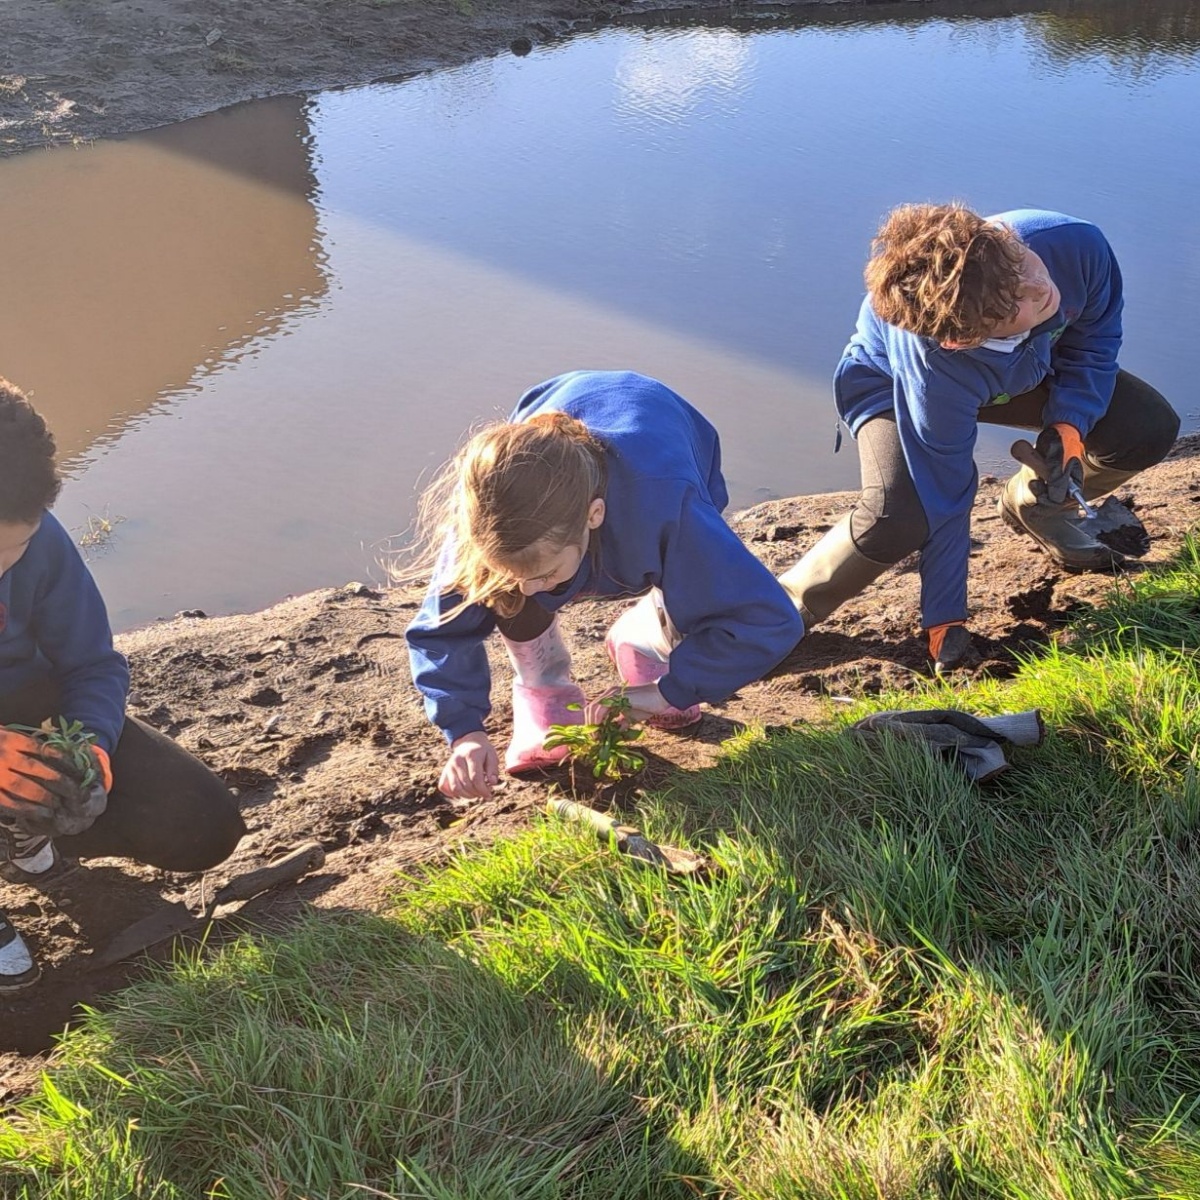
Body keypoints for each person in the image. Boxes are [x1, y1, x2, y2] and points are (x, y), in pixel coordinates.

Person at [778, 204, 1179, 672]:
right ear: (962, 339)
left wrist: (1070, 423)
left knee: (1145, 427)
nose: (1040, 287)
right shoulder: (938, 366)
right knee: (903, 514)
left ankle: (1036, 505)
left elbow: (1096, 338)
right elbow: (947, 494)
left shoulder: (1071, 244)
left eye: (1021, 265)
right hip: (890, 383)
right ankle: (779, 610)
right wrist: (944, 617)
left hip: (1028, 364)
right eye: (1015, 303)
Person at [406, 370, 804, 801]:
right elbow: (440, 630)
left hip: (666, 440)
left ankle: (646, 639)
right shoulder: (489, 518)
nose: (527, 590)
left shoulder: (669, 506)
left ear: (594, 515)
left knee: (696, 584)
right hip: (541, 461)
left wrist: (668, 690)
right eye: (514, 575)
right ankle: (544, 688)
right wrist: (464, 730)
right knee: (501, 587)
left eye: (542, 574)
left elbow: (766, 620)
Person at [0, 377, 245, 993]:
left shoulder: (37, 540)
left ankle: (21, 837)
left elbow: (91, 664)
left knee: (203, 826)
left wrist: (92, 750)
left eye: (14, 549)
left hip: (20, 706)